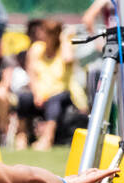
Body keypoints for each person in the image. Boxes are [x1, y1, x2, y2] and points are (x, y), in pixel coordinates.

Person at [15, 20, 78, 150]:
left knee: (55, 100)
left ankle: (47, 138)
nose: (44, 35)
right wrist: (37, 94)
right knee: (24, 98)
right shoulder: (36, 48)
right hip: (40, 94)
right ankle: (21, 136)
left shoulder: (65, 49)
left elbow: (68, 59)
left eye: (49, 33)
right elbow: (31, 74)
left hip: (61, 95)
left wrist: (65, 38)